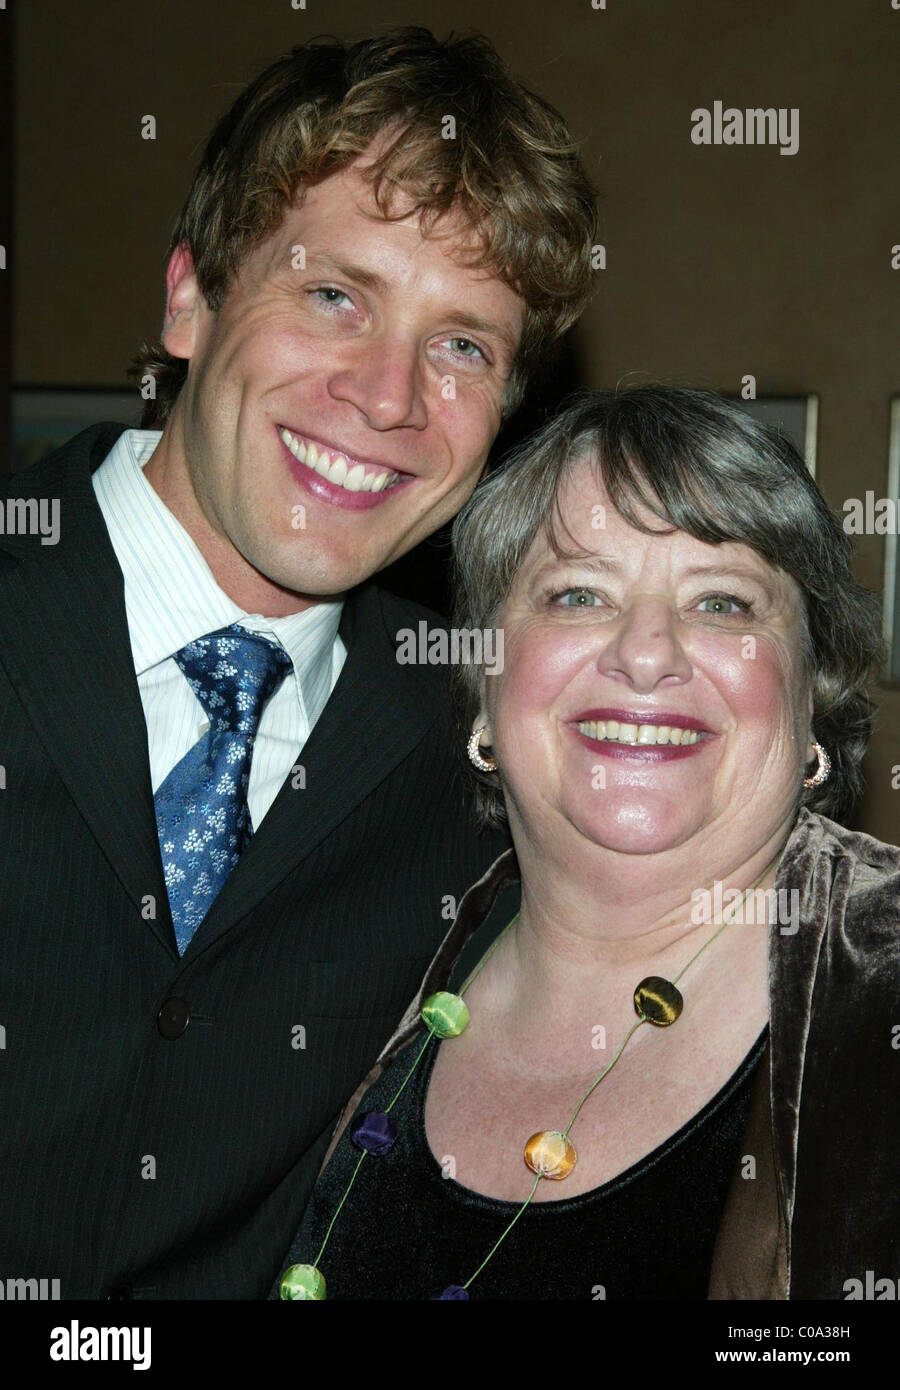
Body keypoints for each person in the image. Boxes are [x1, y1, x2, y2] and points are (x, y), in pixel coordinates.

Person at [0, 29, 597, 1299]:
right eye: (336, 294)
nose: (389, 396)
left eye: (463, 347)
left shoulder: (491, 759)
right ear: (190, 299)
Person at [274, 384, 898, 1300]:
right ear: (485, 683)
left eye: (723, 603)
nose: (647, 655)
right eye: (577, 593)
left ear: (814, 691)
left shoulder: (875, 988)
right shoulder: (370, 959)